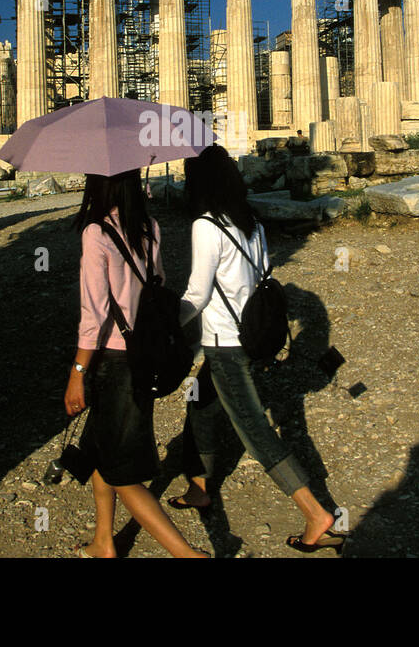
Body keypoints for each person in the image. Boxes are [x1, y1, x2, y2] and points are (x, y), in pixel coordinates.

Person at [170, 144, 345, 553]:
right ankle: (199, 486)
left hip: (225, 344)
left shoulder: (206, 226)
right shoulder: (251, 222)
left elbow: (196, 294)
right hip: (252, 336)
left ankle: (315, 513)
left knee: (254, 430)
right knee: (200, 404)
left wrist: (162, 322)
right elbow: (265, 276)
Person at [64, 170, 206, 559]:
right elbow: (158, 284)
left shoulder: (95, 232)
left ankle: (187, 555)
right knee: (98, 446)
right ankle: (105, 540)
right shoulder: (150, 226)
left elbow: (93, 313)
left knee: (122, 475)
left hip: (113, 360)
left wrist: (77, 373)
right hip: (144, 351)